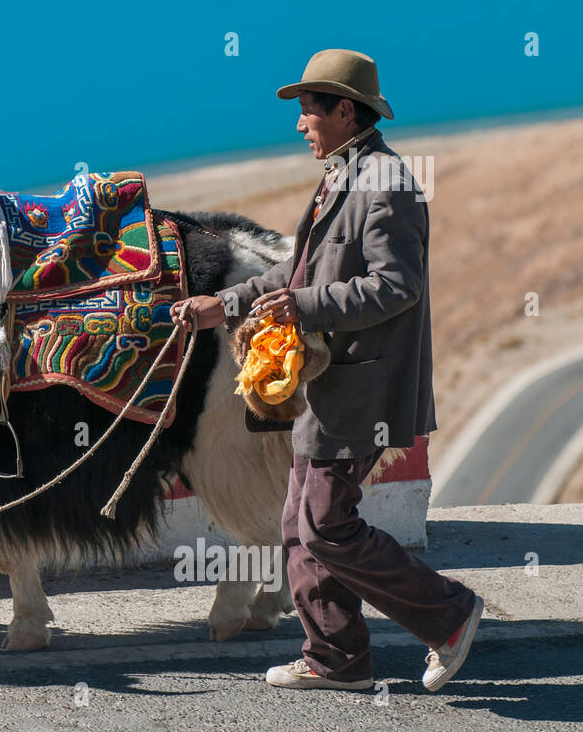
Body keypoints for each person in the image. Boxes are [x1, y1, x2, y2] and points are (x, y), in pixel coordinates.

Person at [169, 48, 482, 692]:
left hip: (365, 386)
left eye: (309, 110)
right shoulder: (341, 177)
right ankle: (337, 659)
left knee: (325, 523)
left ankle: (449, 614)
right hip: (330, 386)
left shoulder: (385, 182)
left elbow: (398, 285)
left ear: (345, 109)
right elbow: (296, 272)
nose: (300, 124)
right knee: (298, 525)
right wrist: (221, 305)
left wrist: (305, 307)